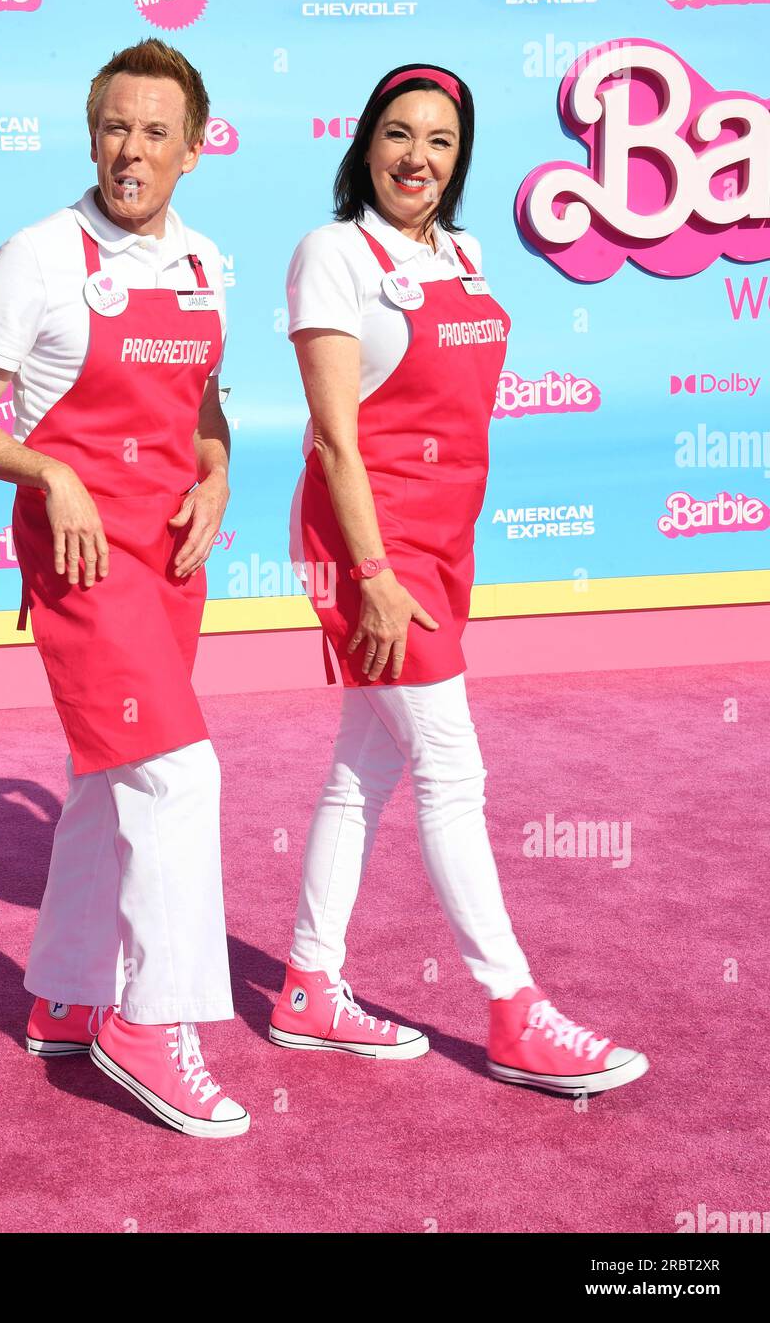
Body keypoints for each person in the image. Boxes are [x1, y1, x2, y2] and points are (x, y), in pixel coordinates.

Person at [272, 62, 649, 1095]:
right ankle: (513, 1009)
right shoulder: (332, 255)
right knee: (452, 769)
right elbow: (338, 444)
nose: (417, 158)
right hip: (368, 541)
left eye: (439, 140)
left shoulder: (466, 254)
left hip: (442, 537)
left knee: (365, 768)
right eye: (398, 134)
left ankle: (308, 982)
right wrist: (375, 575)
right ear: (364, 144)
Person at [0, 38, 249, 1137]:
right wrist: (51, 470)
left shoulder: (208, 262)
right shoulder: (40, 253)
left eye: (156, 131)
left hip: (169, 564)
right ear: (90, 134)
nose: (132, 148)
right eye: (116, 125)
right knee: (179, 774)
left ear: (193, 151)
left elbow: (204, 408)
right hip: (81, 564)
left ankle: (67, 995)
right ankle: (152, 1024)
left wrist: (218, 472)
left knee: (103, 782)